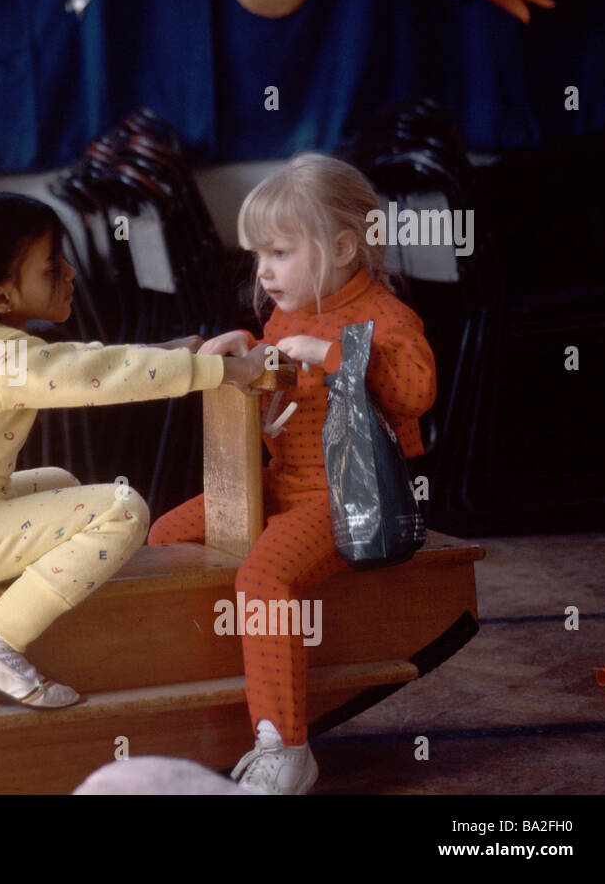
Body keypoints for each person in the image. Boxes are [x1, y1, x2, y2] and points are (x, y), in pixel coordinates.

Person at [0, 193, 269, 708]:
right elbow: (97, 378)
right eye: (51, 267)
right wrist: (228, 371)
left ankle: (30, 598)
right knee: (123, 507)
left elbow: (83, 362)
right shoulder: (3, 357)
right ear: (0, 297)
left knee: (61, 481)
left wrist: (179, 352)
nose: (70, 273)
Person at [148, 152, 437, 793]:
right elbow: (285, 380)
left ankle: (286, 745)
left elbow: (417, 390)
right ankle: (213, 690)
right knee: (166, 536)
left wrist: (334, 355)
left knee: (265, 574)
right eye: (258, 256)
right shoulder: (290, 312)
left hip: (349, 497)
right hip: (284, 483)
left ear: (340, 247)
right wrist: (246, 354)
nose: (264, 271)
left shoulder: (387, 318)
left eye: (278, 253)